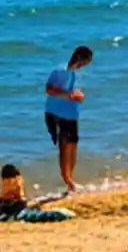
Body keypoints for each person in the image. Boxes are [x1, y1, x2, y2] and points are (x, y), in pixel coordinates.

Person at [45, 46, 92, 193]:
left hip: (72, 114)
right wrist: (70, 96)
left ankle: (70, 181)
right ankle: (68, 180)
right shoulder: (60, 71)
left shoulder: (76, 74)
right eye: (84, 62)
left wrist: (78, 96)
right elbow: (49, 89)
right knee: (64, 147)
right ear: (78, 58)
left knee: (73, 146)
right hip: (58, 113)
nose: (84, 66)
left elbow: (72, 92)